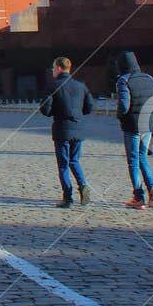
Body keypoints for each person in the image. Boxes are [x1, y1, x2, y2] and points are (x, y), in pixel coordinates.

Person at [38, 56, 92, 208]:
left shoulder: (53, 86)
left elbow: (45, 109)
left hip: (62, 129)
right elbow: (89, 107)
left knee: (63, 164)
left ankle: (67, 198)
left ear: (59, 69)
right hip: (78, 129)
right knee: (75, 161)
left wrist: (55, 110)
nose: (53, 71)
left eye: (54, 68)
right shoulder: (81, 86)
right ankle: (83, 186)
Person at [114, 52, 153, 210]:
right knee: (143, 157)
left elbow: (124, 105)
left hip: (132, 126)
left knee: (133, 161)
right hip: (147, 125)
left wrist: (120, 116)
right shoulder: (148, 78)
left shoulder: (124, 80)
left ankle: (138, 197)